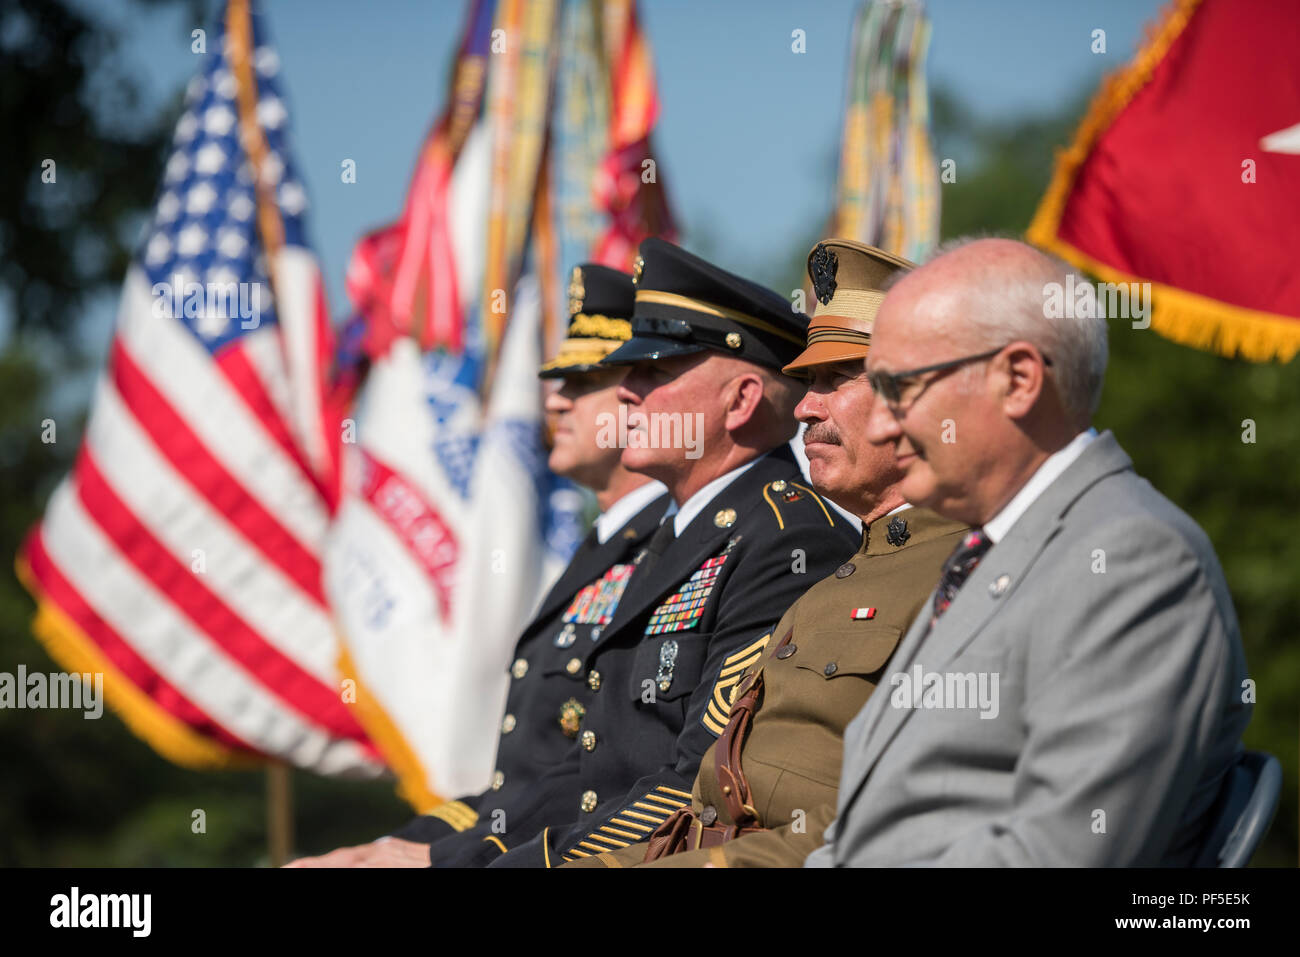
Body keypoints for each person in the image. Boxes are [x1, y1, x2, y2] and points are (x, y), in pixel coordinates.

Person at [806, 237, 1252, 867]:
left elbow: (1058, 853)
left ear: (1017, 381)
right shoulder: (996, 554)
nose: (881, 424)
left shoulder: (1132, 561)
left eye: (900, 387)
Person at [436, 236, 857, 867]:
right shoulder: (677, 537)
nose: (625, 391)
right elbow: (582, 775)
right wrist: (451, 853)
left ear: (740, 401)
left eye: (653, 371)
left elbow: (702, 781)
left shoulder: (788, 536)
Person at [565, 240, 968, 867]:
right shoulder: (836, 579)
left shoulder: (965, 570)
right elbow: (706, 801)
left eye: (836, 379)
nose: (806, 406)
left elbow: (874, 828)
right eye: (808, 381)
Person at [288, 264, 668, 867]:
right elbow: (523, 778)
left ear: (644, 395)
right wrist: (404, 842)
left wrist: (438, 858)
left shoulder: (670, 552)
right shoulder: (599, 552)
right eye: (554, 382)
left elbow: (610, 776)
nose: (554, 401)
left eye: (582, 381)